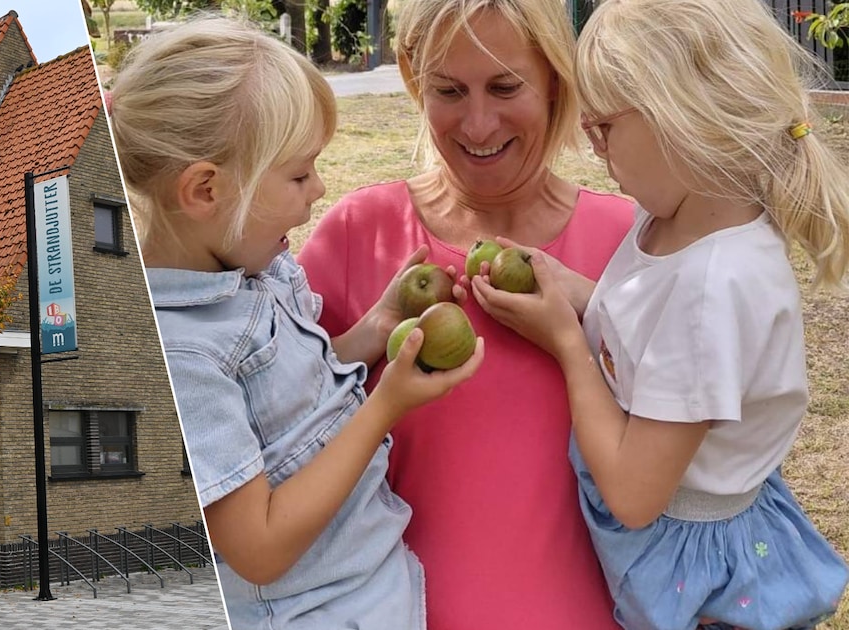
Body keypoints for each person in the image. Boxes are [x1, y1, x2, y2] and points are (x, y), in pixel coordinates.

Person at [472, 0, 849, 627]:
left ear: (681, 117)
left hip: (698, 587)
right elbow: (647, 327)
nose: (592, 147)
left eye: (604, 128)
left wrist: (567, 343)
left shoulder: (714, 289)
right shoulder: (674, 221)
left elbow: (633, 493)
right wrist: (572, 291)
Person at [108, 17, 485, 629]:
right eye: (299, 174)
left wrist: (380, 324)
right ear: (205, 191)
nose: (320, 188)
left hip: (374, 583)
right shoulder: (184, 355)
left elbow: (296, 390)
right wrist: (383, 407)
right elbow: (258, 548)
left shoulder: (261, 266)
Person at [297, 0, 634, 627]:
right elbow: (268, 440)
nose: (478, 126)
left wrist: (591, 321)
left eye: (505, 87)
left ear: (555, 80)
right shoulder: (358, 232)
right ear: (413, 80)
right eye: (449, 91)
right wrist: (366, 338)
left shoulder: (629, 244)